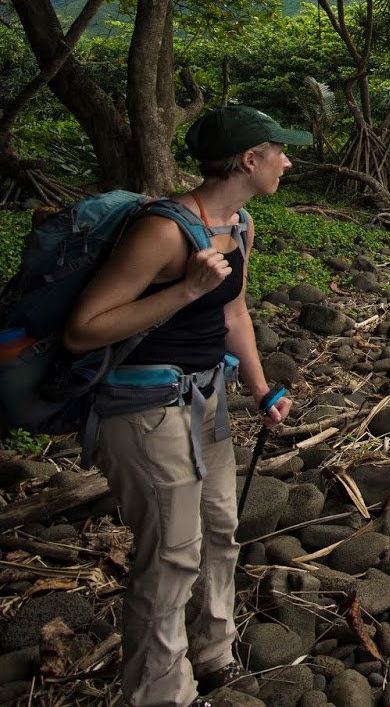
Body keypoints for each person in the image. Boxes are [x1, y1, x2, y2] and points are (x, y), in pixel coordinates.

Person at [65, 107, 306, 707]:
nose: (288, 161)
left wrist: (259, 388)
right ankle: (160, 692)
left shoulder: (240, 223)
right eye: (280, 151)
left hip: (206, 395)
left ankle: (213, 652)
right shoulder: (165, 230)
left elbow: (234, 315)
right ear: (249, 160)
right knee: (171, 553)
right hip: (142, 406)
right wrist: (183, 291)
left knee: (221, 528)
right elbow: (83, 329)